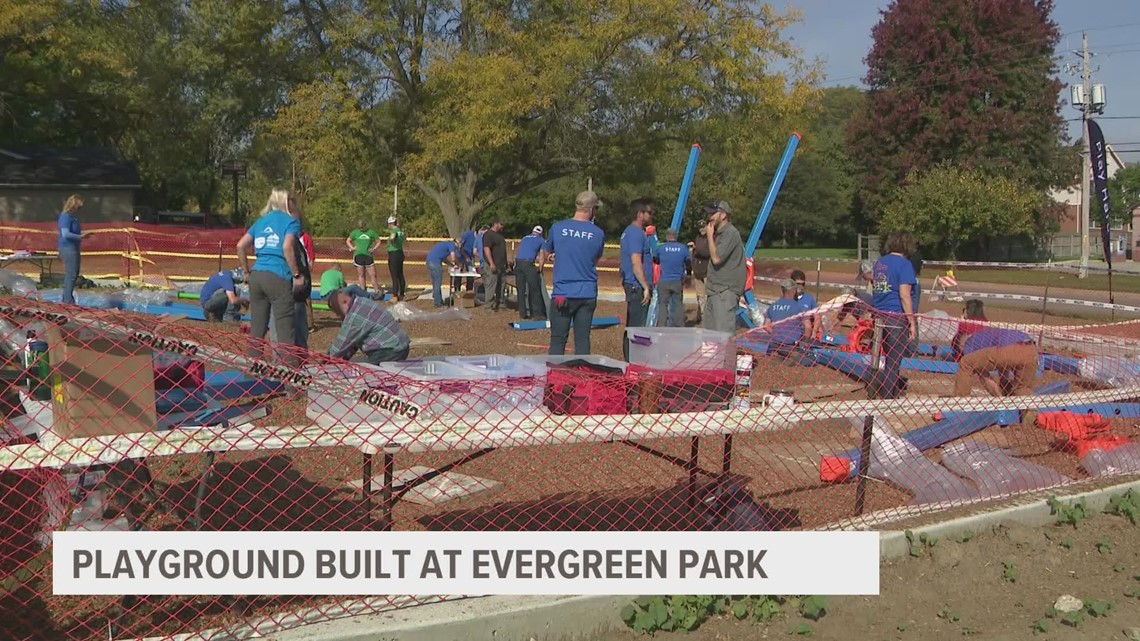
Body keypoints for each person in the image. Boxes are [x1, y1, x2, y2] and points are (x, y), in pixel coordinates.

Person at [237, 189, 304, 363]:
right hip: (278, 276)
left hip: (257, 275)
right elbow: (287, 247)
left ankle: (252, 372)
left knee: (257, 329)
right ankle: (291, 381)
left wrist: (246, 272)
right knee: (285, 330)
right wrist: (297, 274)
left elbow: (240, 246)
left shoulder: (260, 222)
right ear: (288, 203)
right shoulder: (291, 222)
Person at [542, 191, 605, 355]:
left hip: (563, 293)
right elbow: (595, 260)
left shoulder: (558, 228)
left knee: (557, 340)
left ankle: (555, 378)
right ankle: (582, 377)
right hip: (587, 293)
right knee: (583, 340)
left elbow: (546, 252)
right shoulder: (597, 233)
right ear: (591, 210)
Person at [867, 230, 918, 399]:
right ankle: (888, 397)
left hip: (879, 314)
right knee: (893, 362)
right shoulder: (904, 265)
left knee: (880, 356)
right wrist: (911, 322)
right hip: (896, 316)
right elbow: (904, 294)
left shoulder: (880, 262)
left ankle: (873, 389)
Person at [954, 326, 1038, 402]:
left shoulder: (969, 344)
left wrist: (999, 398)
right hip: (1031, 350)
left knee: (966, 363)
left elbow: (984, 377)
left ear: (960, 345)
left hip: (1009, 349)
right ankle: (1031, 417)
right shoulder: (985, 335)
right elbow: (1003, 362)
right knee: (1023, 388)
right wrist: (1003, 384)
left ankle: (961, 402)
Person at [326, 290, 411, 365]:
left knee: (372, 376)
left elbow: (340, 346)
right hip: (401, 345)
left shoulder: (354, 316)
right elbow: (353, 343)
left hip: (390, 351)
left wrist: (326, 359)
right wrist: (344, 357)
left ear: (344, 302)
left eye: (338, 312)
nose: (338, 316)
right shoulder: (362, 301)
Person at [702, 200, 745, 334]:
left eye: (713, 214)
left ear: (723, 215)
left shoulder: (730, 233)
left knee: (723, 336)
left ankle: (728, 356)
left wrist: (709, 236)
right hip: (714, 290)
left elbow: (716, 259)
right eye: (709, 214)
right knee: (710, 335)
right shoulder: (720, 234)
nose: (710, 217)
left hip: (725, 291)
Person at [619, 199, 654, 359]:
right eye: (649, 212)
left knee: (634, 325)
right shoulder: (635, 233)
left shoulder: (631, 232)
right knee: (637, 327)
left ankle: (631, 359)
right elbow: (635, 261)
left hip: (633, 283)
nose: (651, 215)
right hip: (636, 285)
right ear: (640, 214)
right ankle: (633, 360)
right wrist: (645, 286)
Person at [764, 279, 812, 358]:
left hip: (775, 346)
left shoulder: (773, 306)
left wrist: (778, 335)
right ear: (794, 291)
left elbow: (766, 326)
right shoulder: (800, 307)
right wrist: (805, 343)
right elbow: (808, 327)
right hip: (792, 347)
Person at [655, 228, 690, 328]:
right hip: (677, 280)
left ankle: (662, 325)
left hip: (664, 280)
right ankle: (678, 326)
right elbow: (688, 263)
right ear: (676, 236)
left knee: (662, 304)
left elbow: (656, 260)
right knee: (678, 304)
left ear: (667, 236)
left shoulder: (661, 248)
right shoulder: (683, 248)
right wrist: (687, 275)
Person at [57, 195, 87, 304]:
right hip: (67, 248)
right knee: (71, 274)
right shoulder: (65, 217)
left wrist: (81, 234)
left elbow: (73, 232)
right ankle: (67, 300)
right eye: (78, 207)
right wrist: (80, 237)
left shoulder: (73, 217)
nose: (79, 209)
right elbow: (65, 234)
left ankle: (67, 298)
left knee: (74, 273)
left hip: (74, 247)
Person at [514, 225, 547, 320]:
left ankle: (522, 313)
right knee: (534, 289)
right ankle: (538, 314)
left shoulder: (524, 238)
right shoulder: (541, 240)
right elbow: (542, 255)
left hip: (518, 263)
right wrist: (540, 268)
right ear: (540, 233)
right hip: (528, 263)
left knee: (520, 289)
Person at [346, 220, 381, 292]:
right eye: (360, 227)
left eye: (362, 227)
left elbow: (378, 241)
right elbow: (348, 240)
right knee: (361, 274)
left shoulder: (371, 232)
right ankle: (363, 291)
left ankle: (377, 290)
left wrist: (374, 248)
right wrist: (352, 248)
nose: (361, 229)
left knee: (373, 274)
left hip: (368, 255)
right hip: (359, 255)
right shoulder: (355, 232)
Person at [481, 220, 508, 312]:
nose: (502, 227)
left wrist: (506, 264)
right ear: (495, 224)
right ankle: (488, 306)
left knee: (501, 285)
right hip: (491, 264)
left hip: (501, 265)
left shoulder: (500, 235)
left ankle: (500, 304)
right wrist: (491, 263)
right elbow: (486, 249)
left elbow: (503, 251)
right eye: (501, 224)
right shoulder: (488, 235)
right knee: (491, 284)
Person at [425, 239, 459, 307]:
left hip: (429, 262)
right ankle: (438, 303)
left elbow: (443, 259)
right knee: (437, 283)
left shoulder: (445, 244)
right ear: (456, 242)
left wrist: (452, 265)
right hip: (435, 263)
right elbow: (453, 258)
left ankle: (437, 299)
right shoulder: (451, 245)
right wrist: (458, 264)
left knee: (435, 282)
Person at [790, 269, 819, 339]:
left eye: (802, 284)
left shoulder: (809, 298)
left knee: (811, 325)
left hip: (805, 332)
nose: (800, 287)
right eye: (798, 284)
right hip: (790, 330)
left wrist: (814, 331)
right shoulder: (786, 298)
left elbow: (817, 316)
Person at [690, 232, 710, 323]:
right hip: (698, 271)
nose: (702, 229)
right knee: (700, 295)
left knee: (708, 295)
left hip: (707, 271)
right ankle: (702, 315)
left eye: (703, 227)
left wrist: (696, 249)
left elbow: (707, 253)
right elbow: (693, 256)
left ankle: (708, 316)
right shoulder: (697, 238)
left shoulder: (711, 237)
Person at [385, 216, 407, 301]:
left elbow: (392, 237)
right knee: (400, 274)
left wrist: (392, 239)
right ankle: (401, 293)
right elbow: (405, 239)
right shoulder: (401, 231)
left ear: (390, 224)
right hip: (400, 253)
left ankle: (394, 295)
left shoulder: (394, 231)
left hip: (393, 253)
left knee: (394, 275)